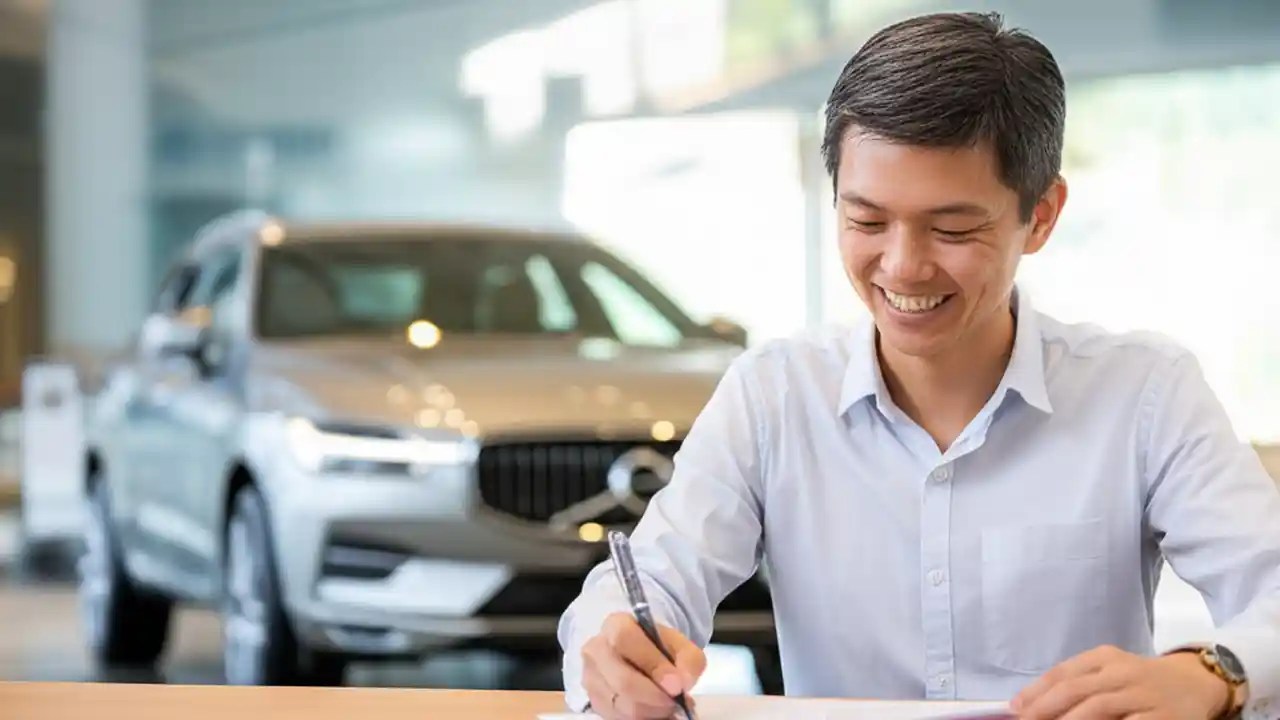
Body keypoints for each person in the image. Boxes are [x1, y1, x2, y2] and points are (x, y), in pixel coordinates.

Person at [557, 11, 1280, 720]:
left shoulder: (1144, 392)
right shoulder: (773, 394)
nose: (902, 266)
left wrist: (1215, 674)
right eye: (866, 220)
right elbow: (641, 585)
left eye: (953, 228)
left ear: (1044, 215)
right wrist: (614, 652)